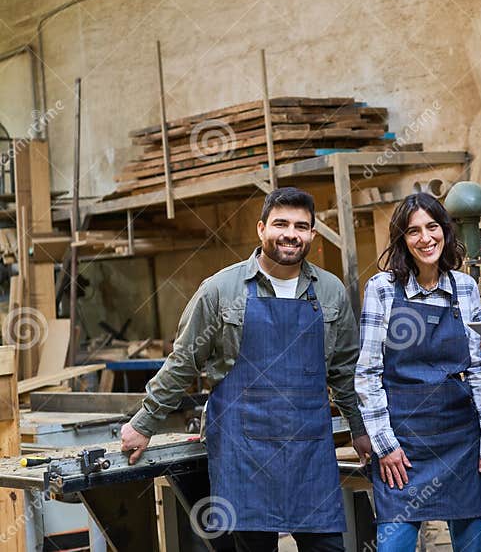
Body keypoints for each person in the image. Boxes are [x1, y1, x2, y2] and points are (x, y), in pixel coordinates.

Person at [120, 187, 370, 552]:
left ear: (312, 235)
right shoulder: (220, 289)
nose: (290, 233)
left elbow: (345, 372)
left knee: (328, 546)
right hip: (244, 450)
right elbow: (183, 362)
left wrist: (360, 429)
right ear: (261, 229)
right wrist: (144, 423)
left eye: (301, 226)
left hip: (309, 452)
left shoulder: (330, 292)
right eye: (281, 223)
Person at [355, 193, 481, 552]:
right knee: (394, 546)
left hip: (459, 438)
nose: (425, 238)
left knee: (471, 546)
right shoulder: (383, 289)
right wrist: (385, 445)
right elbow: (368, 373)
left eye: (432, 227)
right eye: (413, 231)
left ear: (445, 232)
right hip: (403, 442)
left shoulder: (464, 288)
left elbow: (479, 369)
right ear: (402, 239)